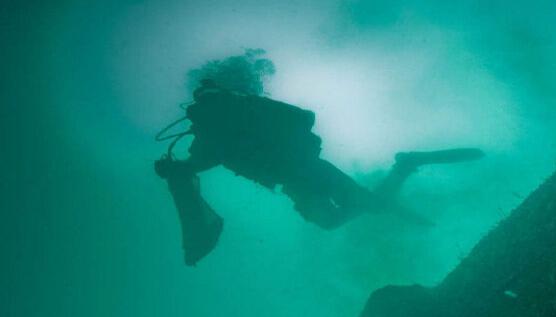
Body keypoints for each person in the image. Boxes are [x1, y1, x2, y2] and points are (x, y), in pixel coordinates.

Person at [154, 79, 483, 265]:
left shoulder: (212, 133)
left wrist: (174, 169)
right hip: (308, 172)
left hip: (299, 178)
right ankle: (402, 169)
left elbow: (197, 164)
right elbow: (306, 118)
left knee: (336, 219)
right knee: (345, 216)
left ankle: (404, 167)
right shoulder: (244, 114)